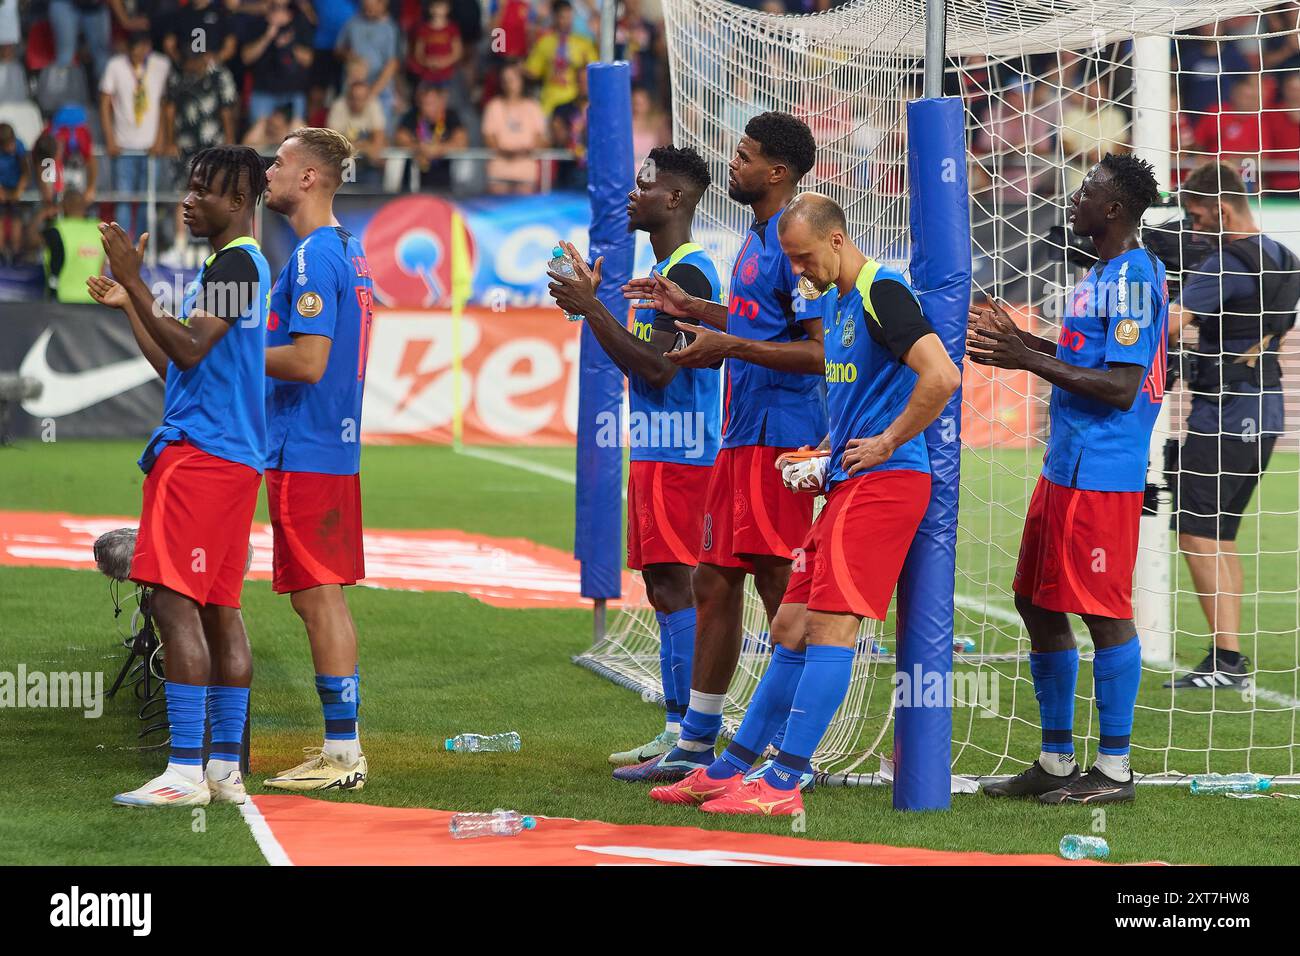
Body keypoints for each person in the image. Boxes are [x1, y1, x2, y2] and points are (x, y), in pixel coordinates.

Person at [651, 192, 958, 815]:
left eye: (803, 257)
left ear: (837, 240)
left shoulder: (882, 291)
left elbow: (943, 376)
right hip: (847, 482)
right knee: (788, 625)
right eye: (789, 261)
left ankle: (785, 783)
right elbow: (860, 398)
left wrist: (888, 442)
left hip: (887, 483)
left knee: (830, 628)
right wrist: (819, 451)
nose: (797, 271)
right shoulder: (842, 301)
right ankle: (731, 767)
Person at [618, 112, 828, 786]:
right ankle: (698, 739)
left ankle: (796, 753)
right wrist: (694, 308)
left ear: (778, 171)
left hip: (783, 439)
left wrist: (730, 343)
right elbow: (754, 322)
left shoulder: (799, 240)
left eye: (745, 156)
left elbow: (824, 350)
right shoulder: (752, 238)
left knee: (778, 586)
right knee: (712, 579)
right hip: (740, 436)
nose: (732, 165)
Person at [969, 153, 1167, 805]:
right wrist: (1023, 342)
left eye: (1087, 190)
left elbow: (1119, 386)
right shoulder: (1101, 274)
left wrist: (1025, 357)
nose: (1074, 197)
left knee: (1103, 611)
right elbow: (1089, 357)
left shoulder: (1136, 278)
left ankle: (1114, 771)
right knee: (1036, 601)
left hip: (1103, 471)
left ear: (1114, 209)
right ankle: (1056, 760)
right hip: (1064, 467)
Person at [86, 145, 272, 807]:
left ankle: (184, 774)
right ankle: (222, 771)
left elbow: (189, 346)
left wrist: (136, 279)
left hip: (203, 458)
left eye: (203, 190)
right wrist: (130, 305)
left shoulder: (237, 263)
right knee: (221, 609)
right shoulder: (234, 266)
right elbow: (179, 367)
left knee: (171, 601)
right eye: (188, 187)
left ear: (238, 201)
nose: (188, 200)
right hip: (227, 457)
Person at [547, 145, 722, 769]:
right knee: (661, 585)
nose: (632, 192)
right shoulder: (662, 273)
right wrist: (593, 308)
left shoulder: (692, 276)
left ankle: (692, 738)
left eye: (645, 183)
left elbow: (660, 371)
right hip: (658, 450)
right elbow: (643, 363)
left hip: (687, 454)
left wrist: (593, 309)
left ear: (675, 198)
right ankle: (678, 730)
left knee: (679, 585)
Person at [259, 127, 375, 792]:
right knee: (318, 597)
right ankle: (341, 745)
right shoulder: (347, 253)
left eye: (279, 162)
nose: (268, 172)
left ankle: (341, 755)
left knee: (318, 596)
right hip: (331, 446)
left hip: (307, 447)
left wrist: (230, 352)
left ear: (309, 177)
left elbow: (308, 360)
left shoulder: (311, 258)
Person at [1165, 161, 1300, 689]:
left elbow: (1171, 322)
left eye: (1197, 219)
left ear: (1220, 210)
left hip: (1222, 411)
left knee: (1197, 533)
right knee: (1221, 536)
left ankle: (1226, 662)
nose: (1195, 229)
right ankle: (1229, 657)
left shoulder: (1223, 265)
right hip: (1266, 411)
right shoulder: (1286, 258)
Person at [99, 31, 171, 238]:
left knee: (147, 202)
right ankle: (122, 248)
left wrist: (161, 139)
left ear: (148, 46)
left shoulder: (161, 64)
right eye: (132, 48)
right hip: (123, 145)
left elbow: (166, 105)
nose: (136, 52)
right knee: (123, 199)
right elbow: (105, 103)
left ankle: (142, 249)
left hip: (151, 146)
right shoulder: (115, 65)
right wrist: (110, 138)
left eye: (140, 47)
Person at [481, 60, 545, 194]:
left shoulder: (533, 106)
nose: (509, 84)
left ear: (522, 80)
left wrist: (524, 151)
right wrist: (506, 152)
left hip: (526, 173)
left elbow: (540, 138)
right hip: (499, 172)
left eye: (513, 79)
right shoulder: (494, 106)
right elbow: (488, 138)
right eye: (506, 80)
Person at [525, 0, 598, 116]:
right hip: (549, 104)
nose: (566, 22)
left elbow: (594, 71)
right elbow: (532, 71)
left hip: (575, 106)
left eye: (569, 17)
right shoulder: (545, 42)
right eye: (562, 17)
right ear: (555, 18)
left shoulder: (584, 44)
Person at [393, 83, 467, 191]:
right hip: (414, 182)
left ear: (441, 103)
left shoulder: (451, 116)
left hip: (443, 182)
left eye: (431, 103)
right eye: (424, 103)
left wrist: (438, 149)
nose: (426, 108)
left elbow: (462, 142)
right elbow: (400, 139)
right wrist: (419, 148)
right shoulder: (412, 115)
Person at [35, 188, 102, 302]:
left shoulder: (56, 228)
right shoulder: (99, 228)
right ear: (84, 206)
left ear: (63, 206)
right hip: (94, 299)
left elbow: (29, 242)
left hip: (62, 300)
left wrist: (42, 214)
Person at [0, 122, 27, 262]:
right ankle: (1, 252)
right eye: (7, 146)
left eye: (12, 144)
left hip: (15, 186)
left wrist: (19, 189)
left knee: (17, 217)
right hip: (2, 186)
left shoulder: (20, 146)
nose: (11, 148)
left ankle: (16, 251)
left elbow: (25, 171)